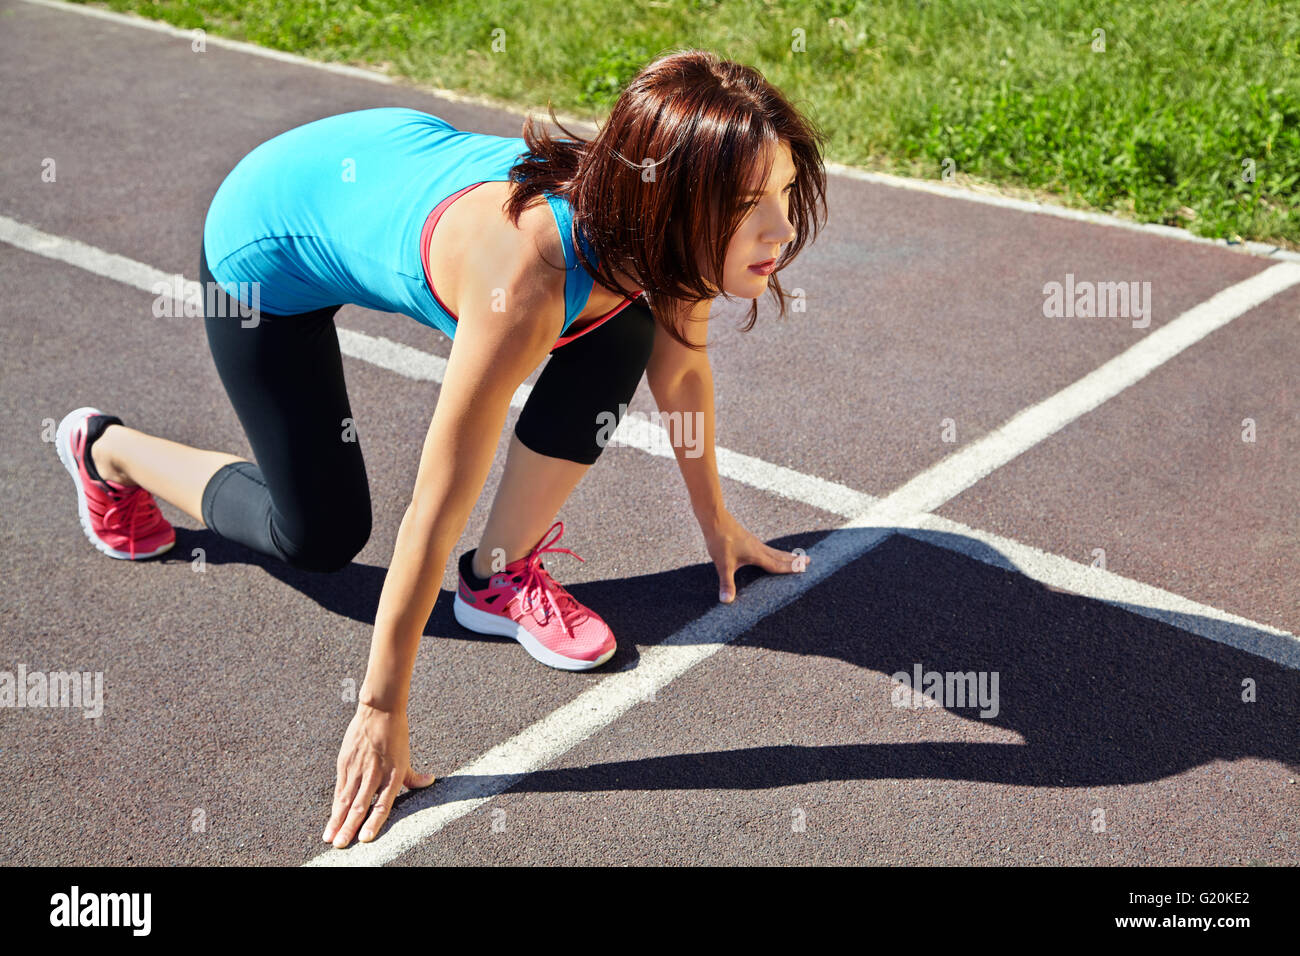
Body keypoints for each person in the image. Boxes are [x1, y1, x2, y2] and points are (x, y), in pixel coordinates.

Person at [53, 48, 828, 849]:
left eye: (780, 190)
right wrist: (380, 709)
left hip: (384, 168)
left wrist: (718, 522)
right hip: (267, 236)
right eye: (748, 204)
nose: (783, 227)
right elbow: (435, 501)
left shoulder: (662, 234)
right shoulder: (526, 274)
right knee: (317, 535)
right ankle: (108, 452)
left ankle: (496, 579)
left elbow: (682, 362)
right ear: (673, 199)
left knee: (628, 327)